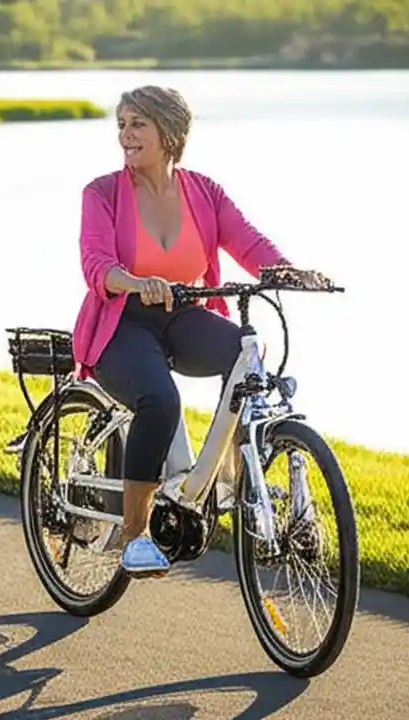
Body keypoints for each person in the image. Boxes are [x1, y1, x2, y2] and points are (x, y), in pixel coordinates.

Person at [71, 85, 296, 578]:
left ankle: (232, 482)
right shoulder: (102, 193)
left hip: (181, 313)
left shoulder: (203, 192)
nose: (126, 135)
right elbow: (96, 263)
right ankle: (135, 536)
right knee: (160, 400)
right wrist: (136, 282)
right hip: (121, 324)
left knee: (245, 353)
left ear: (169, 130)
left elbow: (248, 242)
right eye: (122, 125)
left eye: (138, 124)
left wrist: (288, 271)